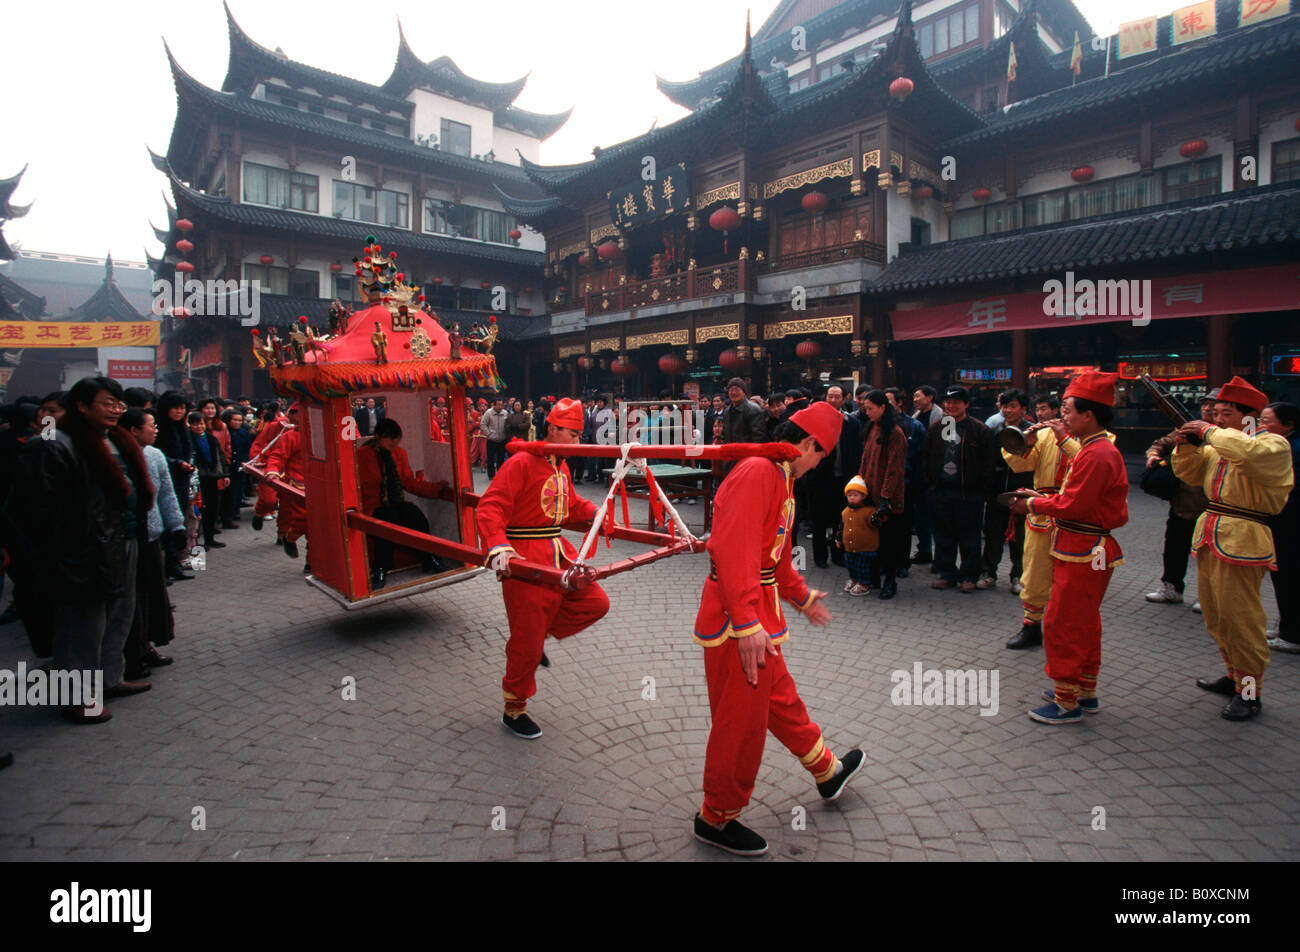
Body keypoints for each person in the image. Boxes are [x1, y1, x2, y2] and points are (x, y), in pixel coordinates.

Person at [691, 401, 864, 856]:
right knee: (740, 724)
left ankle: (827, 772)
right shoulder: (761, 473)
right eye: (820, 456)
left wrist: (802, 596)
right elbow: (732, 551)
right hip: (738, 620)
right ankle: (716, 817)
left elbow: (776, 556)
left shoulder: (780, 477)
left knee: (779, 701)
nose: (818, 465)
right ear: (808, 444)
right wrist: (747, 623)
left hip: (755, 613)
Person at [10, 377, 155, 723]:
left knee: (121, 612)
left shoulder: (116, 439)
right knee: (81, 625)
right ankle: (75, 697)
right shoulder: (54, 443)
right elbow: (36, 509)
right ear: (82, 405)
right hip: (80, 548)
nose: (116, 410)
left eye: (119, 404)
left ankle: (109, 678)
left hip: (121, 538)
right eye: (108, 403)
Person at [475, 398, 609, 739]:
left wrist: (594, 511)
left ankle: (540, 637)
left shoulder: (559, 465)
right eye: (573, 434)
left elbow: (570, 504)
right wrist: (497, 544)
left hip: (557, 554)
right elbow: (490, 507)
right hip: (524, 560)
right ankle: (513, 708)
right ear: (551, 429)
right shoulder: (521, 463)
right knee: (526, 642)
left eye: (581, 435)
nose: (579, 442)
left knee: (595, 602)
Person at [1010, 372, 1128, 724]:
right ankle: (1083, 690)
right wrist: (1043, 497)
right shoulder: (1094, 448)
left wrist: (1034, 505)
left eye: (1068, 410)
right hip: (1082, 543)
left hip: (1084, 545)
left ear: (1089, 415)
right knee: (1084, 620)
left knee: (1065, 622)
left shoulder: (1097, 453)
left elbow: (1074, 505)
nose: (1062, 417)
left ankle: (1066, 701)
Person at [1174, 377, 1294, 720]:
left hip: (1244, 533)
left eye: (1227, 411)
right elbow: (1190, 474)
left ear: (1249, 416)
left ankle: (1251, 692)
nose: (1218, 416)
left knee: (1242, 618)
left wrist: (1208, 433)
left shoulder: (1271, 444)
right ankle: (1234, 676)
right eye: (1216, 411)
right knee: (1215, 613)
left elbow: (1246, 451)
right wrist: (1187, 445)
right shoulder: (1219, 443)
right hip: (1212, 529)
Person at [1003, 394, 1083, 650]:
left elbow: (1089, 465)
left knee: (1071, 581)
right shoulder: (1044, 435)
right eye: (1064, 410)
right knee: (1035, 573)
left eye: (1070, 411)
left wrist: (1065, 438)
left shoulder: (1101, 440)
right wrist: (1024, 444)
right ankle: (1031, 626)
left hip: (1076, 519)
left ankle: (1068, 629)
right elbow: (1018, 466)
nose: (1064, 415)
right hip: (1041, 512)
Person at [120, 408, 181, 677]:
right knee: (132, 600)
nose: (154, 429)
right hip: (130, 537)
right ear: (133, 430)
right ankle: (130, 656)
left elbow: (166, 493)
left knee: (153, 595)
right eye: (150, 425)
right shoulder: (117, 457)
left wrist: (176, 524)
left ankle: (146, 646)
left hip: (153, 534)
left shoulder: (155, 456)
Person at [355, 418, 447, 589]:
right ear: (378, 436)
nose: (394, 441)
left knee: (415, 515)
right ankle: (380, 569)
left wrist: (435, 488)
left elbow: (408, 482)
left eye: (396, 437)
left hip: (396, 503)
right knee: (386, 520)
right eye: (390, 437)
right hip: (372, 506)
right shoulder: (362, 456)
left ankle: (428, 558)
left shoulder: (399, 454)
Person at [1144, 391, 1215, 607]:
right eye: (1205, 404)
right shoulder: (1188, 428)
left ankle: (1210, 597)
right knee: (1175, 547)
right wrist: (1153, 455)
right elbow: (1159, 444)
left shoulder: (1229, 435)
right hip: (1183, 500)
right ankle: (1171, 586)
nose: (1208, 409)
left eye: (1214, 406)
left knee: (1208, 555)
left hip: (1212, 505)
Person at [924, 386, 994, 593]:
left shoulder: (979, 429)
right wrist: (930, 486)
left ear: (966, 404)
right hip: (942, 490)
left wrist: (983, 491)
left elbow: (988, 464)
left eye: (956, 402)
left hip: (969, 493)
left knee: (969, 536)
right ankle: (946, 572)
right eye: (948, 402)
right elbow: (926, 458)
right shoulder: (936, 428)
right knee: (943, 534)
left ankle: (969, 575)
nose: (951, 406)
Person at [805, 385, 863, 569]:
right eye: (830, 396)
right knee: (819, 520)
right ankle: (820, 556)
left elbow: (856, 451)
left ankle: (838, 554)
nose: (833, 400)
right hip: (821, 479)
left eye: (837, 396)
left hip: (843, 478)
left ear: (844, 399)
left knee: (842, 519)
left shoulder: (851, 422)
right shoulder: (816, 421)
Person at [857, 390, 907, 599]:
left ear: (883, 408)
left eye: (871, 408)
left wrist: (886, 498)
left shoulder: (895, 433)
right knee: (872, 540)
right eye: (865, 408)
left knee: (888, 542)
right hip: (869, 492)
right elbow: (864, 462)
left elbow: (894, 469)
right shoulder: (871, 428)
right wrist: (858, 487)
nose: (867, 412)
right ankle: (875, 577)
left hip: (888, 497)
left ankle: (890, 581)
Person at [981, 389, 1033, 591]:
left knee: (1020, 535)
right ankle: (988, 572)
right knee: (993, 532)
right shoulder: (994, 430)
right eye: (1004, 406)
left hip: (1022, 490)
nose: (1008, 410)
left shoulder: (1032, 431)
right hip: (997, 490)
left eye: (1012, 406)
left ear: (1023, 409)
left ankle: (1018, 576)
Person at [1262, 402, 1300, 654]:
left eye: (1267, 421)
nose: (1262, 426)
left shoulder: (1291, 449)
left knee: (1290, 577)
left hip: (1290, 524)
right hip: (1285, 522)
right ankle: (1286, 624)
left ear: (1288, 425)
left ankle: (1292, 634)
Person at [153, 391, 194, 581]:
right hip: (165, 481)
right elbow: (155, 455)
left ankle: (175, 564)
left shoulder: (182, 428)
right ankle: (166, 568)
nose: (179, 412)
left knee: (182, 522)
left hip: (183, 480)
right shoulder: (159, 427)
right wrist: (177, 463)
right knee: (168, 525)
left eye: (182, 408)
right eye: (175, 408)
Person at [885, 387, 926, 579]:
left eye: (889, 401)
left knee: (904, 526)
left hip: (906, 484)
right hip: (884, 485)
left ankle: (902, 562)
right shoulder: (878, 425)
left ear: (899, 402)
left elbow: (920, 458)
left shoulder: (914, 426)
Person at [264, 403, 309, 566]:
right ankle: (288, 537)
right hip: (297, 485)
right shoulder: (291, 436)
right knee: (304, 520)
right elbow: (276, 457)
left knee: (318, 525)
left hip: (323, 484)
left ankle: (312, 562)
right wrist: (272, 470)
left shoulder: (325, 433)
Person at [911, 385, 943, 564]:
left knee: (936, 519)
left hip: (935, 475)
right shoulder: (916, 416)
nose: (915, 400)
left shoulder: (943, 418)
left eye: (918, 396)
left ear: (930, 397)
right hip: (919, 473)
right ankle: (924, 551)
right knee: (921, 517)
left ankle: (939, 557)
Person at [189, 411, 230, 551]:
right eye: (195, 424)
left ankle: (210, 538)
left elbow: (221, 456)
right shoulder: (189, 440)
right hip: (197, 480)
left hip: (213, 478)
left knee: (213, 509)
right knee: (198, 511)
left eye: (201, 423)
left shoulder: (211, 438)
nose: (199, 427)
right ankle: (196, 544)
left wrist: (225, 474)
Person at [840, 475, 879, 596]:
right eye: (849, 495)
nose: (851, 498)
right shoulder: (845, 511)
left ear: (863, 496)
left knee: (863, 567)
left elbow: (876, 524)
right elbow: (842, 527)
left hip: (865, 547)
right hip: (850, 547)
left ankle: (864, 583)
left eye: (855, 495)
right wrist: (838, 538)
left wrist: (877, 519)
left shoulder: (869, 511)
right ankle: (854, 579)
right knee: (851, 565)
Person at [720, 378, 767, 447]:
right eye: (731, 390)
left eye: (737, 389)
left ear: (744, 392)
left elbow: (758, 437)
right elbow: (724, 435)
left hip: (747, 453)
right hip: (731, 453)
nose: (733, 392)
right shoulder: (727, 411)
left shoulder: (753, 409)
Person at [481, 397, 509, 478]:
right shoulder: (488, 413)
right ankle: (491, 475)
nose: (500, 407)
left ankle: (500, 475)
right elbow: (483, 424)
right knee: (490, 458)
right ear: (494, 405)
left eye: (501, 405)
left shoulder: (505, 413)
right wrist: (489, 434)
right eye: (498, 405)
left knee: (501, 458)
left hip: (502, 440)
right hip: (491, 440)